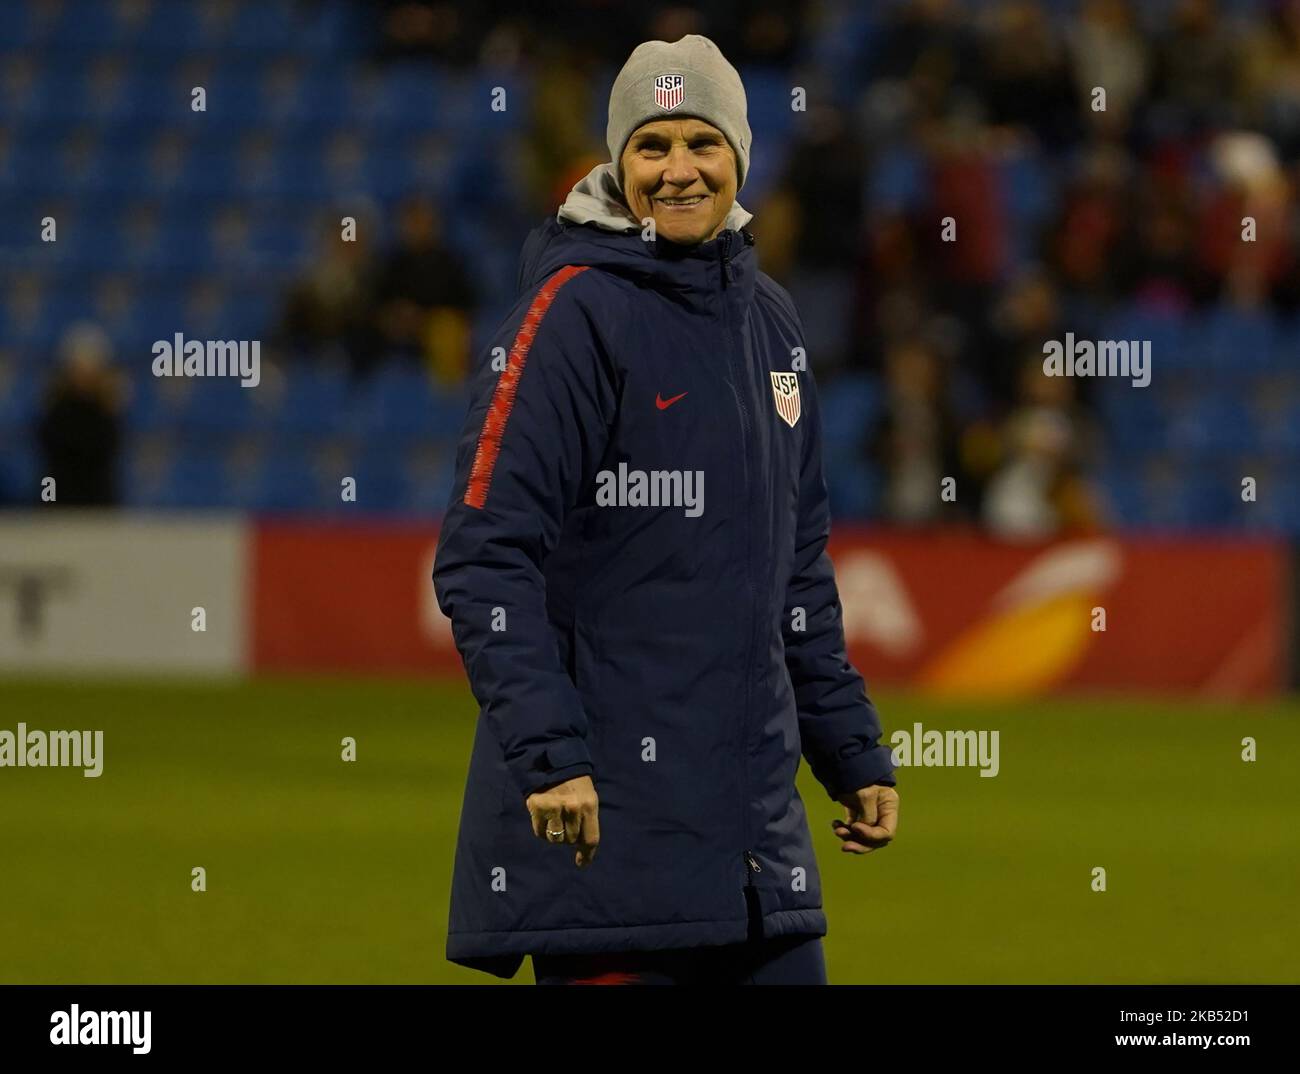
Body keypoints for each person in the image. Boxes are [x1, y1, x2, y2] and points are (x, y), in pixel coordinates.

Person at [433, 34, 899, 986]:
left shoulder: (770, 319)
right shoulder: (570, 315)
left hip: (754, 852)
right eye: (651, 146)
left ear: (740, 155)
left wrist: (849, 748)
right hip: (609, 842)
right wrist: (551, 753)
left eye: (702, 142)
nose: (678, 170)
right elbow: (485, 553)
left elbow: (796, 570)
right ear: (617, 162)